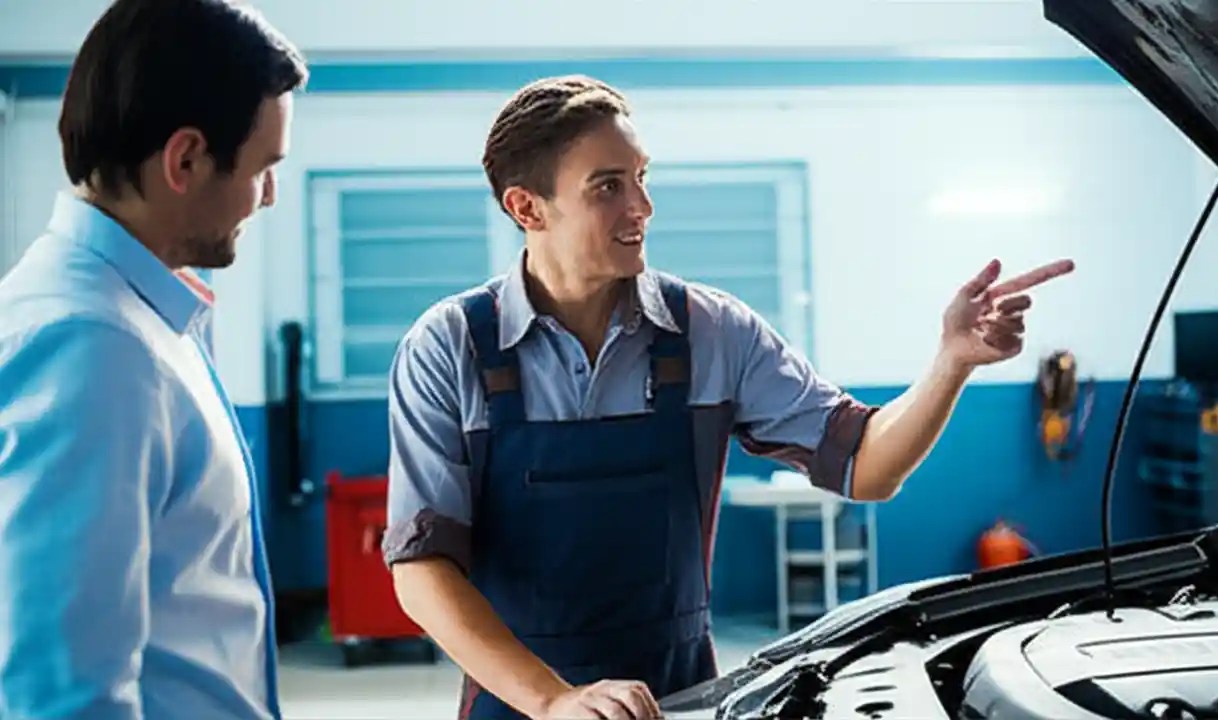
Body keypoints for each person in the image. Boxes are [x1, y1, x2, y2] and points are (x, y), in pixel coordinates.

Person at [383, 75, 1074, 720]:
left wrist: (951, 362)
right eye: (608, 186)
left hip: (680, 702)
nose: (642, 207)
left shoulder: (710, 331)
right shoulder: (449, 347)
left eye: (642, 177)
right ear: (526, 207)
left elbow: (866, 466)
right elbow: (420, 570)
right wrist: (554, 701)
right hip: (518, 704)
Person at [0, 1, 306, 718]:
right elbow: (61, 697)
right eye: (264, 168)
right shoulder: (91, 348)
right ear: (185, 160)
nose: (268, 197)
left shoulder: (135, 316)